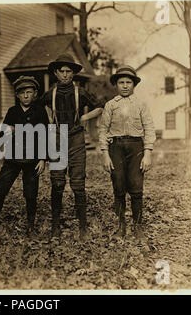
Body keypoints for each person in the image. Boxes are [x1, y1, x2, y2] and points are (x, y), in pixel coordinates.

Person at [40, 54, 105, 241]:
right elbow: (38, 109)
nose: (66, 75)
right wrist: (48, 116)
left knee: (78, 183)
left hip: (76, 139)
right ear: (56, 72)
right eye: (62, 71)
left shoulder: (80, 92)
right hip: (57, 139)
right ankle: (55, 226)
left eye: (69, 71)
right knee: (57, 182)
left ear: (73, 74)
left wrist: (85, 117)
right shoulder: (50, 94)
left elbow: (100, 106)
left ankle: (83, 227)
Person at [99, 65, 156, 239]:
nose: (124, 86)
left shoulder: (141, 104)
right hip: (116, 147)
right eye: (121, 82)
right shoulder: (110, 105)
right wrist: (105, 153)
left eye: (128, 82)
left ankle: (138, 227)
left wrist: (148, 153)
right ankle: (120, 226)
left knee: (136, 186)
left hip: (136, 147)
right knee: (118, 185)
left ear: (134, 85)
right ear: (116, 85)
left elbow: (149, 128)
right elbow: (103, 129)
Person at [0, 76, 49, 236]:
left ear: (35, 94)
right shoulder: (12, 111)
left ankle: (30, 224)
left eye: (29, 92)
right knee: (1, 188)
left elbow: (44, 135)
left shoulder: (40, 111)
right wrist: (9, 130)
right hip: (13, 158)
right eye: (22, 93)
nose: (26, 96)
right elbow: (2, 131)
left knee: (31, 193)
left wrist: (42, 158)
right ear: (17, 95)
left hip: (32, 159)